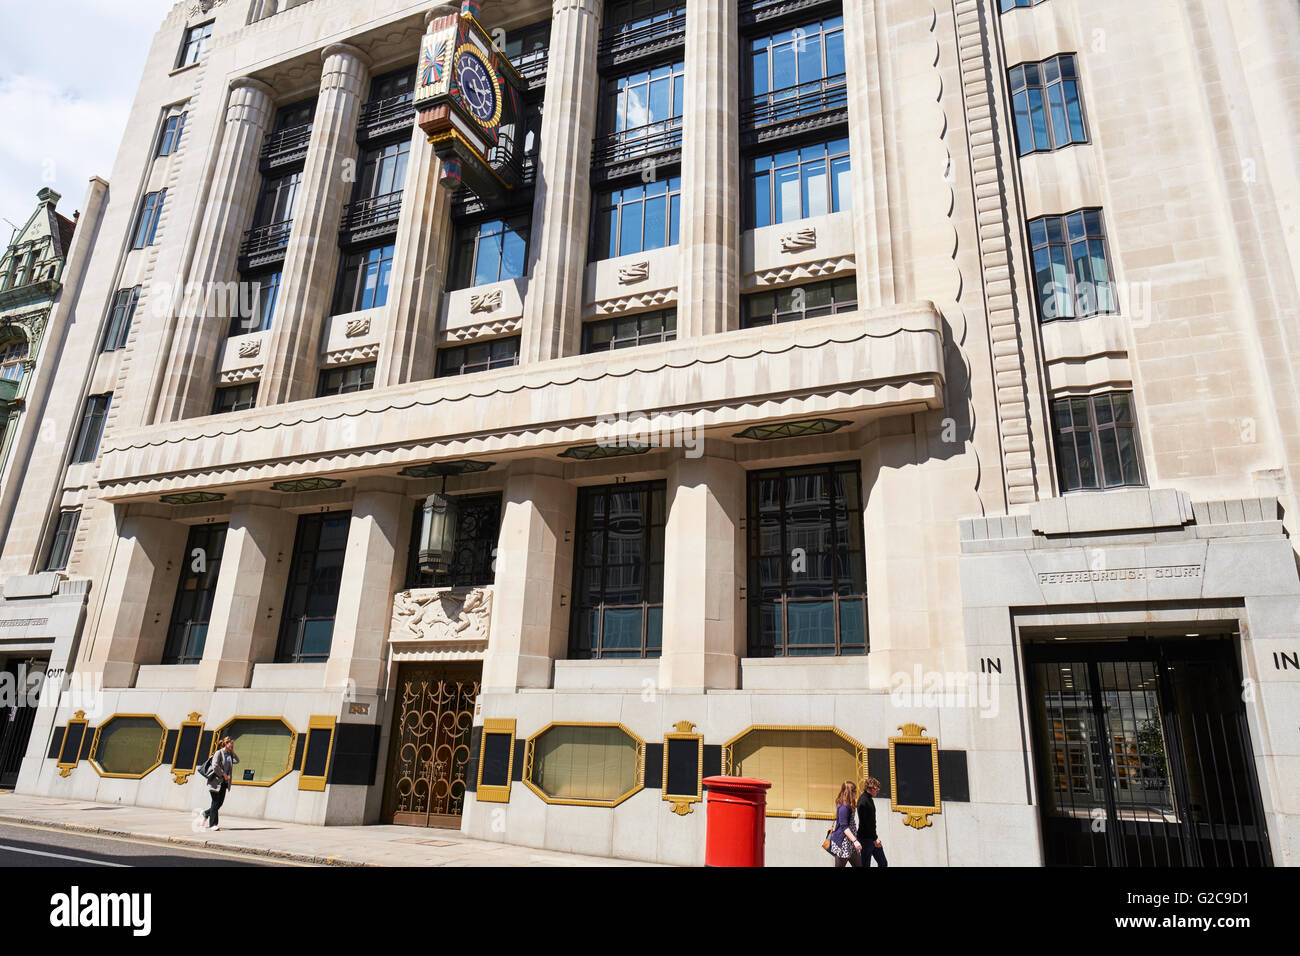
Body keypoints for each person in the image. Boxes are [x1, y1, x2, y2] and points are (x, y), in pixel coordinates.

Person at [202, 737, 238, 831]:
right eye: (231, 744)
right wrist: (223, 774)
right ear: (226, 744)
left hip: (224, 783)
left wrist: (233, 752)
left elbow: (237, 761)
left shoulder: (229, 754)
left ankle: (206, 813)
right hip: (215, 782)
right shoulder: (219, 753)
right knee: (215, 802)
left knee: (220, 803)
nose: (232, 746)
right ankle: (213, 824)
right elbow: (215, 765)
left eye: (233, 745)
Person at [856, 776, 888, 867]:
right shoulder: (863, 802)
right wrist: (875, 839)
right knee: (866, 864)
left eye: (878, 788)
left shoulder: (869, 799)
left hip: (871, 838)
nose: (878, 791)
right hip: (865, 839)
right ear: (869, 788)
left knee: (883, 863)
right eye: (876, 788)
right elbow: (866, 823)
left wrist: (874, 838)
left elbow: (871, 822)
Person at [829, 780, 863, 867]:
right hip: (843, 843)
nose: (856, 793)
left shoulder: (849, 804)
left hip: (850, 841)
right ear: (849, 792)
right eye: (854, 791)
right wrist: (855, 841)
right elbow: (844, 827)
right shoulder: (844, 807)